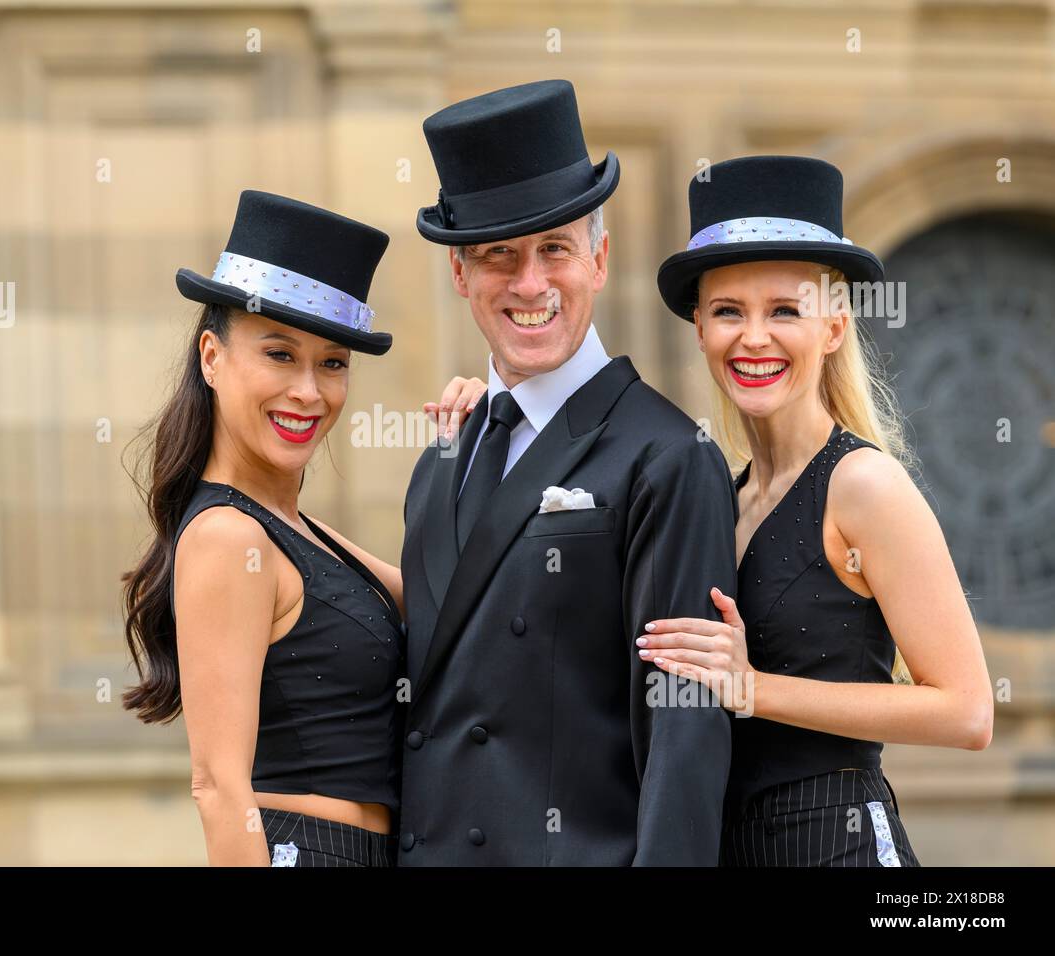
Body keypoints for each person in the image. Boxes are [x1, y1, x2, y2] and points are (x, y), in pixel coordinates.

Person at [397, 79, 740, 865]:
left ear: (599, 258)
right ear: (460, 274)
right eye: (498, 256)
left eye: (555, 248)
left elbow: (683, 732)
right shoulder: (438, 460)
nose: (529, 283)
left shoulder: (669, 456)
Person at [644, 155, 994, 865]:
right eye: (727, 312)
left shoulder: (865, 485)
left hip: (838, 842)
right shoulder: (724, 496)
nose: (753, 338)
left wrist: (754, 688)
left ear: (833, 327)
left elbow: (967, 711)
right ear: (701, 330)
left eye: (784, 311)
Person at [120, 190, 485, 866]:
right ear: (211, 356)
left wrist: (480, 444)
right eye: (280, 354)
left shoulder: (298, 532)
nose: (308, 392)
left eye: (333, 363)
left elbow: (456, 610)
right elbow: (220, 790)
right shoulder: (229, 538)